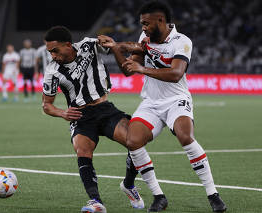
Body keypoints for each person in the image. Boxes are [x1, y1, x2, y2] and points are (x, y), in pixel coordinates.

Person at [98, 1, 227, 212]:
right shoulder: (144, 39)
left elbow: (176, 74)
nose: (143, 28)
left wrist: (142, 68)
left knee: (186, 137)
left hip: (177, 100)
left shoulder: (182, 41)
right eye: (142, 24)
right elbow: (129, 70)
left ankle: (213, 195)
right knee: (133, 141)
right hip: (151, 103)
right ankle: (159, 196)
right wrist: (115, 49)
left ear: (161, 20)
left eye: (146, 23)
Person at [41, 26, 147, 213]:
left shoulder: (89, 45)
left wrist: (120, 44)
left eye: (55, 50)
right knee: (83, 150)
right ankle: (95, 201)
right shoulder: (52, 71)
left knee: (135, 141)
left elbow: (119, 48)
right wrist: (62, 113)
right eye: (49, 51)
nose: (52, 55)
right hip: (81, 116)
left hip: (105, 109)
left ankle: (129, 185)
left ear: (68, 45)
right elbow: (46, 105)